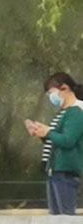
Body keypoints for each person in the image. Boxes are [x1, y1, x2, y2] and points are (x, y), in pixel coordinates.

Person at [26, 72, 83, 215]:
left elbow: (68, 140)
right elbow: (56, 139)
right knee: (56, 218)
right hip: (55, 170)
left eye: (51, 93)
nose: (51, 98)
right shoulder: (63, 112)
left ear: (64, 88)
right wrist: (41, 132)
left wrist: (48, 132)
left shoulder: (76, 111)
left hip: (66, 170)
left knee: (66, 218)